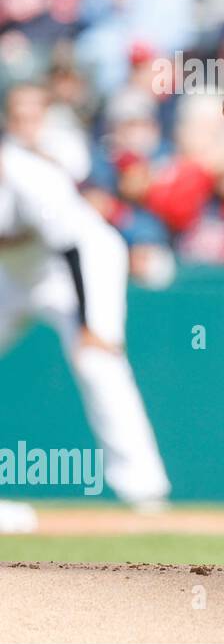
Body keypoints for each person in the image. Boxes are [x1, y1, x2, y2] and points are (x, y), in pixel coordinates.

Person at [0, 138, 171, 508]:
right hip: (13, 276)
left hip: (80, 265)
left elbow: (71, 247)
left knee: (97, 363)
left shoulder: (31, 175)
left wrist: (88, 324)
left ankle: (144, 490)